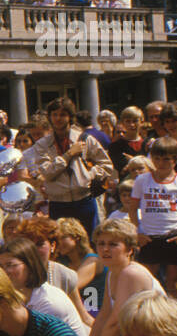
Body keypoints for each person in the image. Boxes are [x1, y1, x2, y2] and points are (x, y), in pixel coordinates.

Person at [129, 137, 177, 302]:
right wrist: (137, 233)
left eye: (167, 159)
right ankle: (147, 318)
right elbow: (133, 209)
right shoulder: (142, 180)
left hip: (174, 236)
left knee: (174, 283)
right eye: (157, 158)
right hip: (149, 237)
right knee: (146, 282)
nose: (161, 163)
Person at [34, 97, 116, 238]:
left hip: (83, 200)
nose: (58, 118)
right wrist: (69, 154)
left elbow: (106, 165)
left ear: (70, 117)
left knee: (89, 242)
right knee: (61, 245)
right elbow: (47, 173)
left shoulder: (84, 139)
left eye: (63, 115)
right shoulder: (43, 144)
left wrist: (89, 175)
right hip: (58, 202)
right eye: (54, 114)